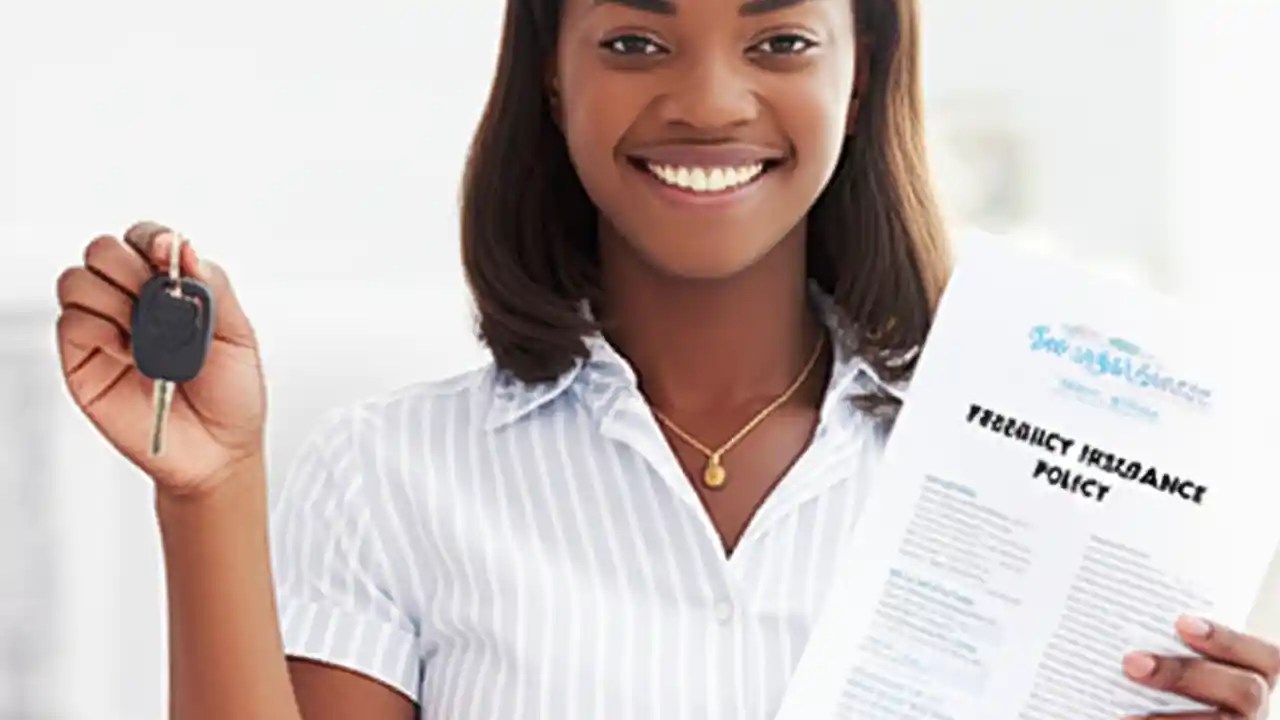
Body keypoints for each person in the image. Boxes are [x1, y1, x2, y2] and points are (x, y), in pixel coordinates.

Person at [52, 0, 1280, 718]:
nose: (709, 101)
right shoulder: (393, 473)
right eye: (636, 40)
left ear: (863, 75)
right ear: (550, 72)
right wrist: (206, 491)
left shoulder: (1027, 478)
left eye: (780, 42)